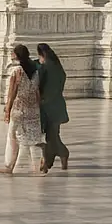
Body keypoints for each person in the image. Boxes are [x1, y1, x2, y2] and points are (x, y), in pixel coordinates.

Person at [0, 44, 44, 175]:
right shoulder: (35, 71)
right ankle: (37, 167)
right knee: (34, 139)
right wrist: (39, 107)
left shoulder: (17, 71)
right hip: (33, 110)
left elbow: (12, 92)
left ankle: (9, 166)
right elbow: (37, 92)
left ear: (17, 55)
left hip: (19, 109)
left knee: (12, 137)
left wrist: (7, 109)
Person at [35, 43, 69, 172]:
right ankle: (57, 158)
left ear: (42, 55)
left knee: (51, 136)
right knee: (53, 135)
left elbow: (40, 86)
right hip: (58, 106)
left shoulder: (45, 68)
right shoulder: (58, 67)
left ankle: (51, 161)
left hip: (47, 107)